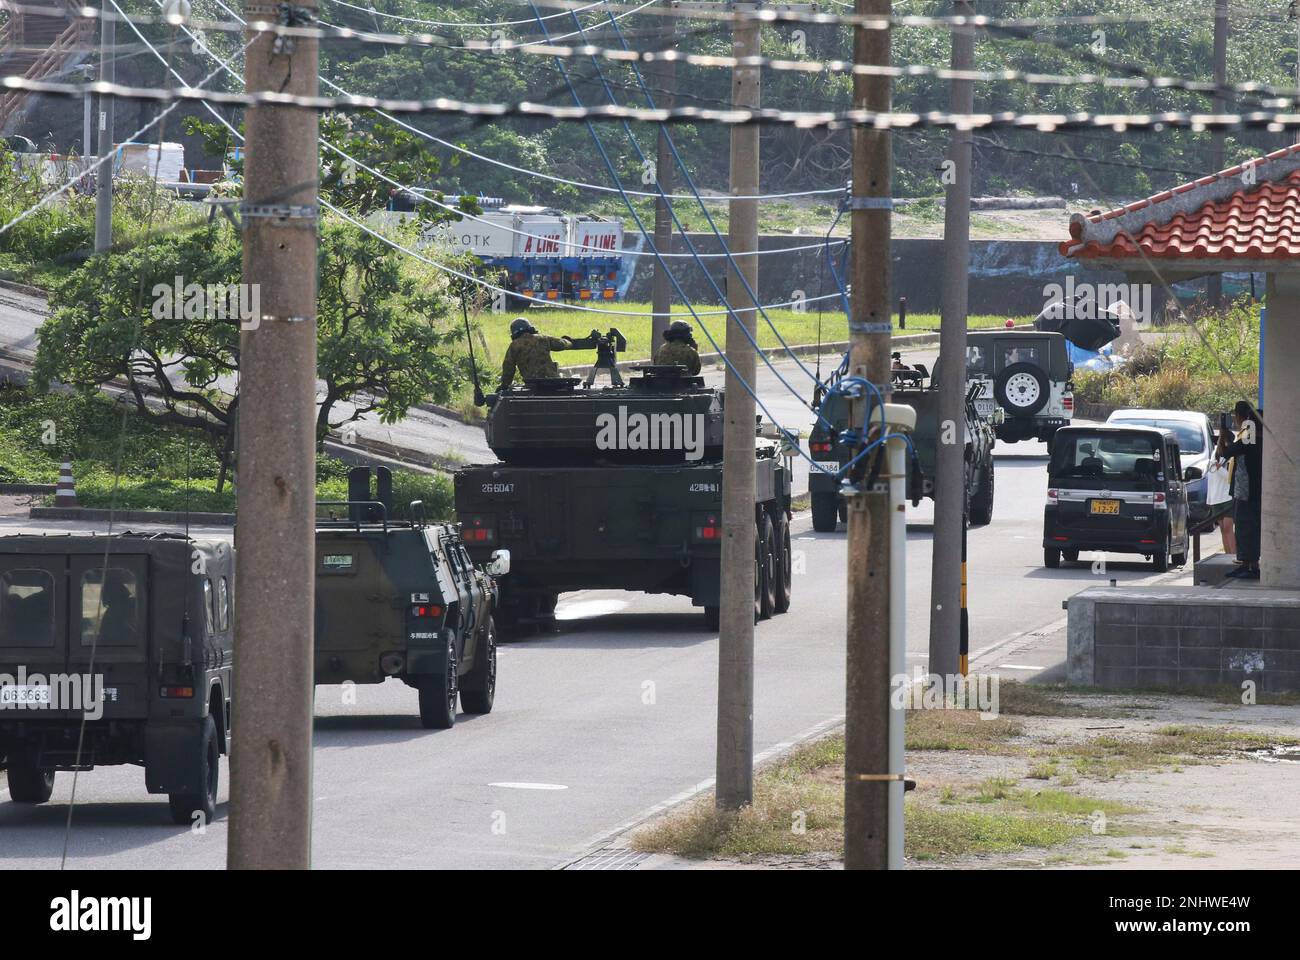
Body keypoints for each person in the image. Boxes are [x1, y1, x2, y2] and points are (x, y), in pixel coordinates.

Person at [1215, 400, 1263, 580]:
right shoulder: (1254, 435)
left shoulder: (1248, 434)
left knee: (1244, 528)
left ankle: (1247, 564)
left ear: (1240, 416)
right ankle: (1251, 564)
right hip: (1252, 489)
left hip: (1246, 491)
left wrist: (1222, 436)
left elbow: (1224, 453)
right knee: (1250, 528)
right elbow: (1238, 449)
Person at [499, 317, 572, 389]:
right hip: (552, 381)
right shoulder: (542, 338)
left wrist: (504, 385)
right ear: (529, 328)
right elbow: (562, 344)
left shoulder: (514, 345)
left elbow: (508, 368)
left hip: (532, 383)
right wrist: (567, 341)